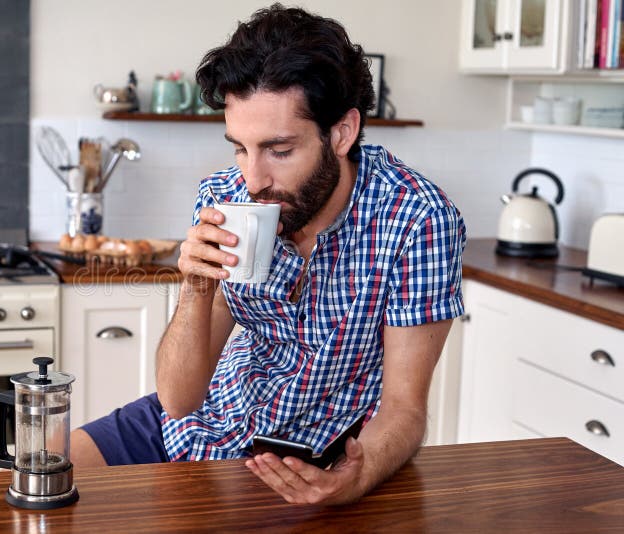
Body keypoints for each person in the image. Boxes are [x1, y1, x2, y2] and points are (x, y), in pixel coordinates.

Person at [71, 3, 466, 505]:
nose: (253, 180)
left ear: (342, 132)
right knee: (44, 472)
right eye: (240, 147)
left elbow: (404, 409)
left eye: (279, 151)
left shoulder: (417, 220)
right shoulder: (224, 196)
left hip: (305, 457)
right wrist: (195, 287)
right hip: (206, 419)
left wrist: (356, 479)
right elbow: (179, 400)